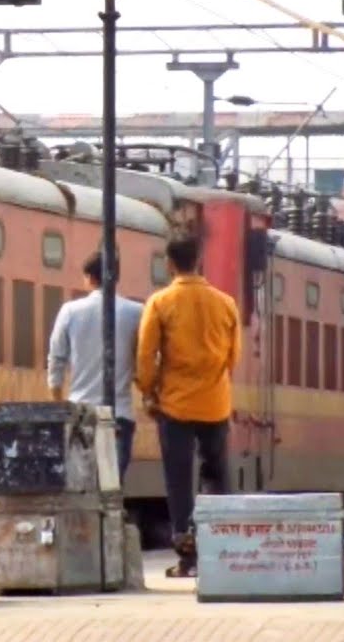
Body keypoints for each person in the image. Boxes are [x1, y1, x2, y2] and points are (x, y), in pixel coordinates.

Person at [134, 232, 242, 579]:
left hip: (175, 407)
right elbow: (233, 357)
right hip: (216, 404)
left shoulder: (161, 302)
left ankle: (188, 556)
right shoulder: (225, 303)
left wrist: (149, 391)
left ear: (169, 264)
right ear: (199, 261)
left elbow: (146, 355)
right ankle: (223, 548)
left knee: (179, 480)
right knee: (217, 476)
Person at [46, 249, 144, 483]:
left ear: (89, 278)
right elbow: (146, 360)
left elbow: (56, 361)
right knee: (111, 491)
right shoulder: (137, 313)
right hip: (119, 416)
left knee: (81, 489)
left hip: (81, 415)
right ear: (116, 277)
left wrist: (59, 405)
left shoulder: (70, 311)